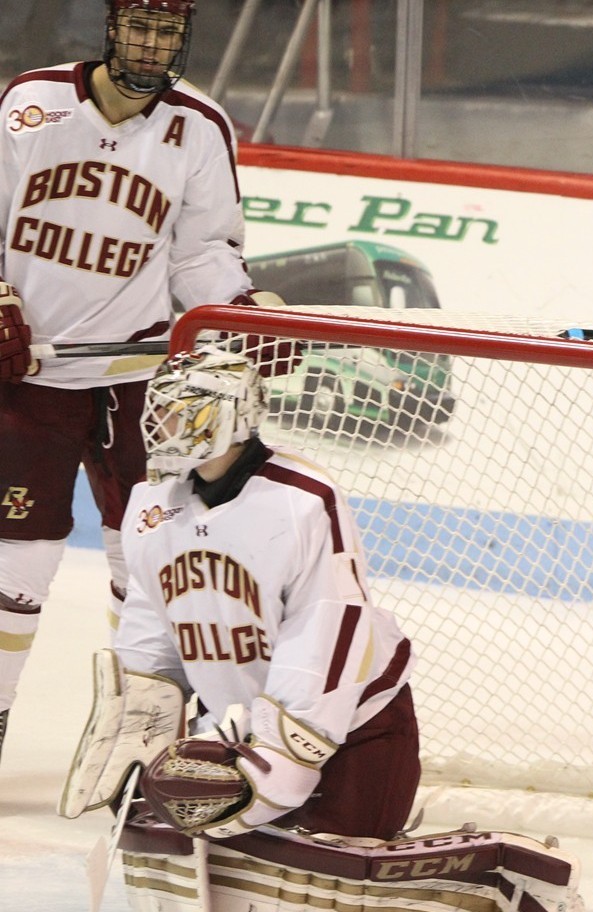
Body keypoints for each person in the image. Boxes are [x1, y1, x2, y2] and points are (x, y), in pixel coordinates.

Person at [0, 0, 281, 763]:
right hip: (33, 378)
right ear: (111, 28)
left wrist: (242, 310)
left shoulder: (200, 126)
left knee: (150, 561)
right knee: (16, 563)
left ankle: (142, 743)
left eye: (168, 32)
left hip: (140, 382)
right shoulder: (31, 102)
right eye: (140, 28)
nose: (153, 45)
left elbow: (201, 252)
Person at [113, 347, 419, 839]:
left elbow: (325, 625)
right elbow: (149, 620)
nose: (159, 424)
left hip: (356, 724)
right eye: (159, 410)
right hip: (236, 731)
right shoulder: (151, 504)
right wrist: (137, 730)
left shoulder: (300, 499)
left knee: (337, 860)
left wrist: (283, 756)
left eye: (178, 411)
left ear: (228, 417)